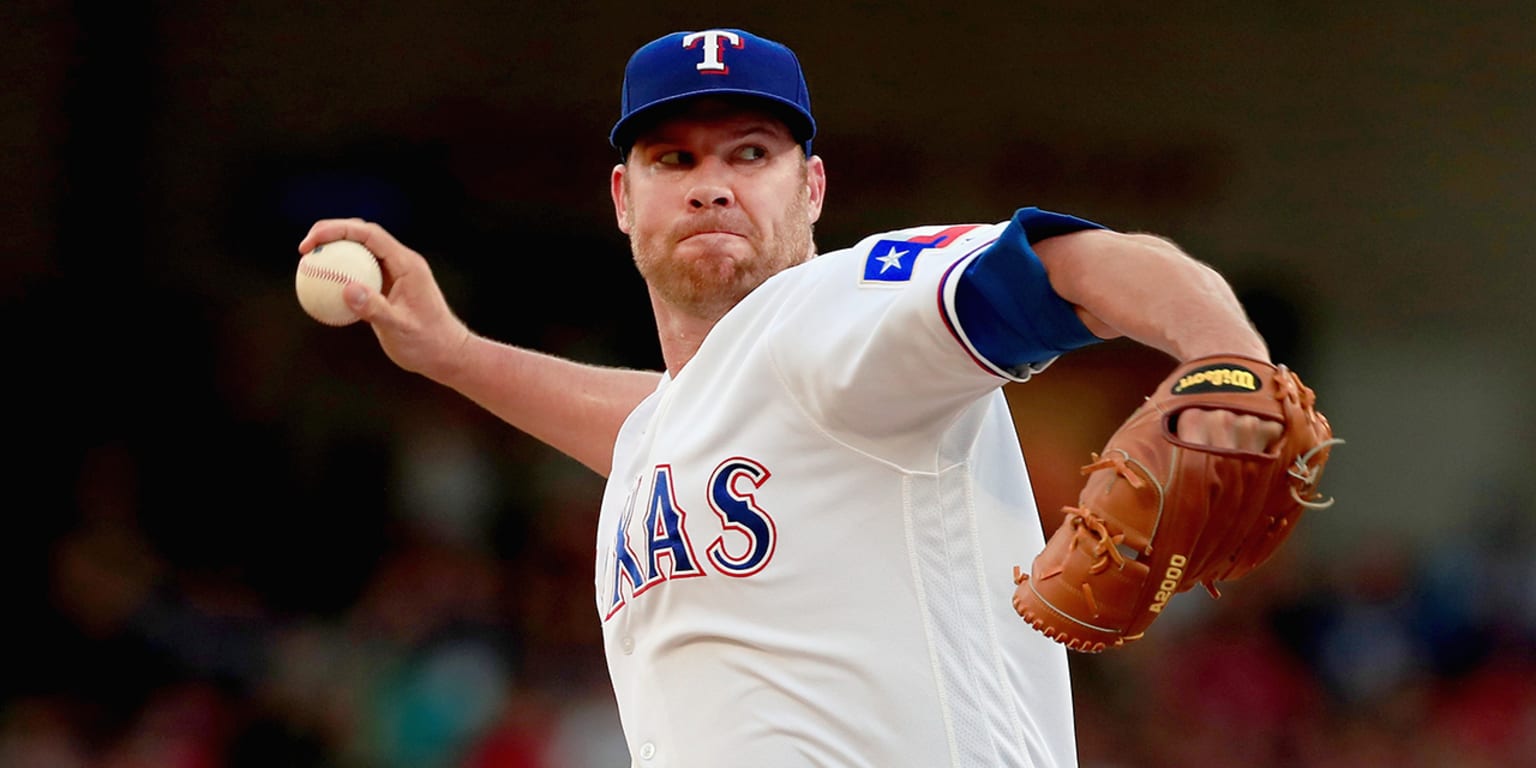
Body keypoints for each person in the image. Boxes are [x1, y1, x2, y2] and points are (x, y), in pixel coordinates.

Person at [300, 27, 1282, 768]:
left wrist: (1230, 363)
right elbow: (655, 424)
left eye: (749, 153)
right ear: (621, 199)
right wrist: (453, 354)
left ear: (811, 188)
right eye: (674, 158)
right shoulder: (699, 416)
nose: (711, 185)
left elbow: (1085, 264)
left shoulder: (840, 308)